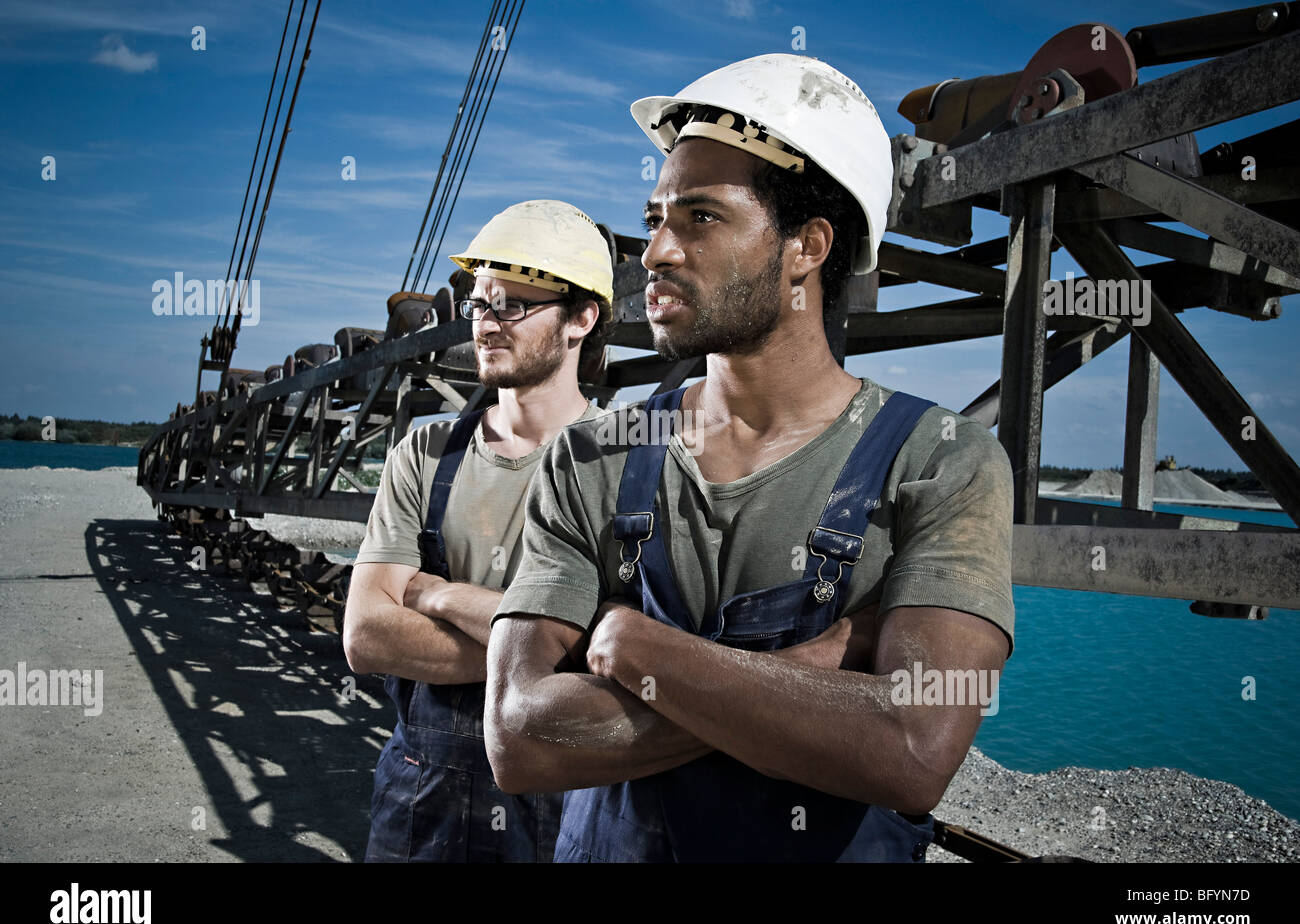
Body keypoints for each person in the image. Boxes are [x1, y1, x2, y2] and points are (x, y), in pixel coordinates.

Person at [484, 55, 1015, 862]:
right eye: (655, 217)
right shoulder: (594, 455)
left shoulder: (941, 462)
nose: (655, 251)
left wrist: (642, 649)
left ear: (807, 245)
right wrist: (809, 670)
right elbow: (519, 735)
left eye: (698, 218)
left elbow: (913, 749)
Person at [343, 199, 612, 862]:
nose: (488, 324)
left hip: (566, 802)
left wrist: (440, 597)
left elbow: (622, 656)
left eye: (513, 305)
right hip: (421, 800)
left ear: (581, 317)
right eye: (481, 304)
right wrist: (544, 649)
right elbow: (366, 635)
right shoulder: (425, 455)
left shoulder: (628, 467)